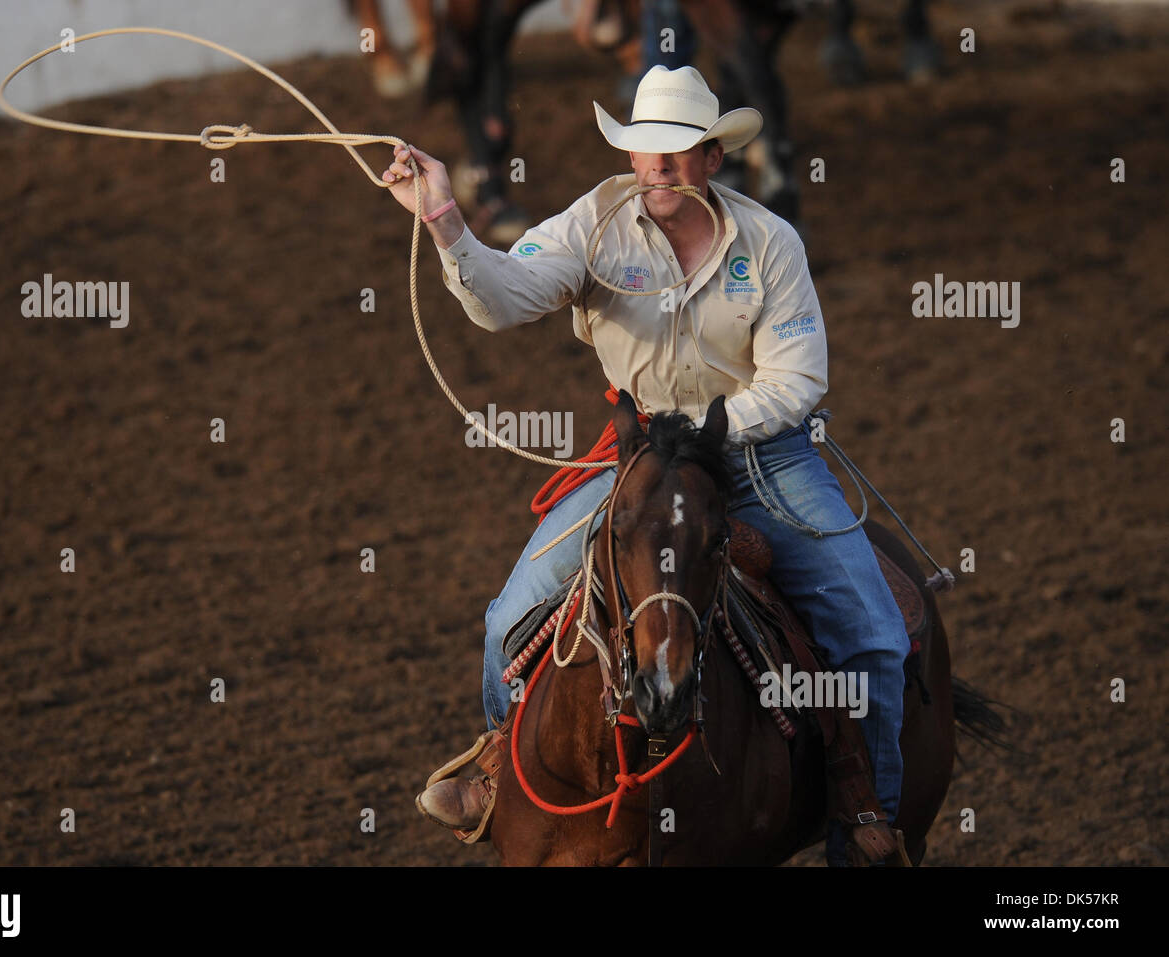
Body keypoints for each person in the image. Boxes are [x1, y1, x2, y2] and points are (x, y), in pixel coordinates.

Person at [381, 65, 909, 863]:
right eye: (645, 148)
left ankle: (869, 815)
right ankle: (498, 762)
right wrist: (447, 220)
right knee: (505, 621)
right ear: (631, 158)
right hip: (641, 467)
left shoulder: (770, 243)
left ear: (712, 159)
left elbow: (797, 381)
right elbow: (504, 297)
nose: (659, 164)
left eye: (679, 149)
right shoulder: (591, 225)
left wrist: (696, 431)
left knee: (872, 636)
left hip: (760, 457)